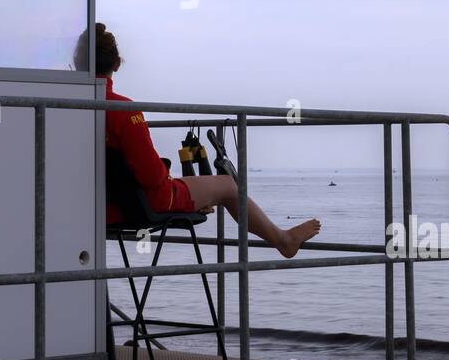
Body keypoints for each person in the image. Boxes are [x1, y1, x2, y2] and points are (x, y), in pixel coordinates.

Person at [74, 23, 321, 258]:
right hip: (140, 206)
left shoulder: (61, 109)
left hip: (91, 207)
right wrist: (171, 180)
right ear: (116, 64)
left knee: (197, 185)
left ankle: (200, 201)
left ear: (77, 63)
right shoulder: (124, 110)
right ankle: (283, 241)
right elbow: (152, 178)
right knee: (227, 185)